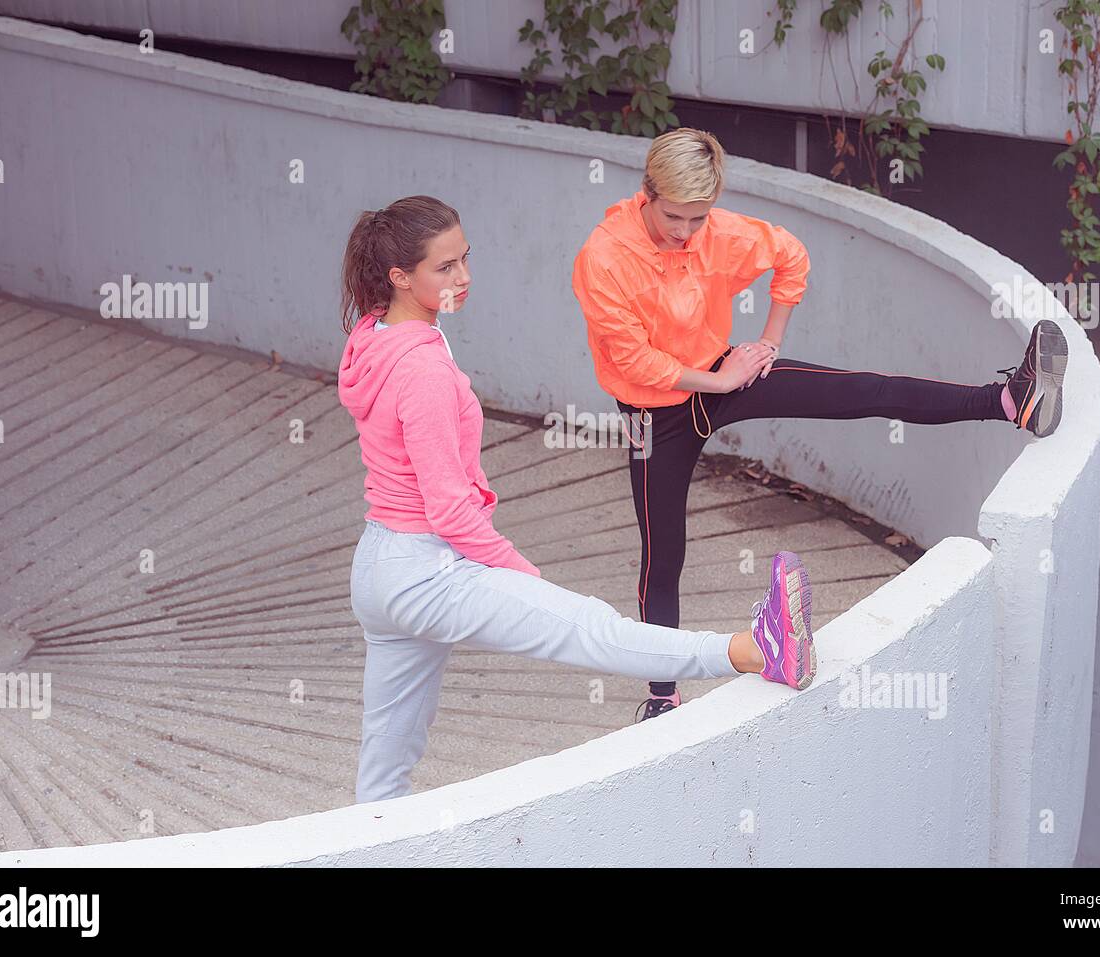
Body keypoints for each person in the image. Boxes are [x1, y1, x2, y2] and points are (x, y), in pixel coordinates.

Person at [571, 127, 1068, 722]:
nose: (685, 232)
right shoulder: (605, 257)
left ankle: (1010, 402)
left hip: (724, 375)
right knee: (662, 552)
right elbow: (634, 361)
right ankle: (662, 697)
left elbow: (790, 257)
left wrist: (768, 345)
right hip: (656, 415)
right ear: (646, 193)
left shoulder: (722, 235)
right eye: (675, 216)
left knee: (862, 391)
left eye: (698, 219)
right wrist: (722, 381)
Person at [338, 196, 816, 804]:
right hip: (424, 569)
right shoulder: (422, 370)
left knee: (384, 774)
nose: (464, 278)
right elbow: (450, 507)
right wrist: (524, 579)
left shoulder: (375, 336)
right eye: (445, 267)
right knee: (587, 626)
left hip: (380, 569)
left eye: (466, 258)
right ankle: (753, 649)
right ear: (399, 278)